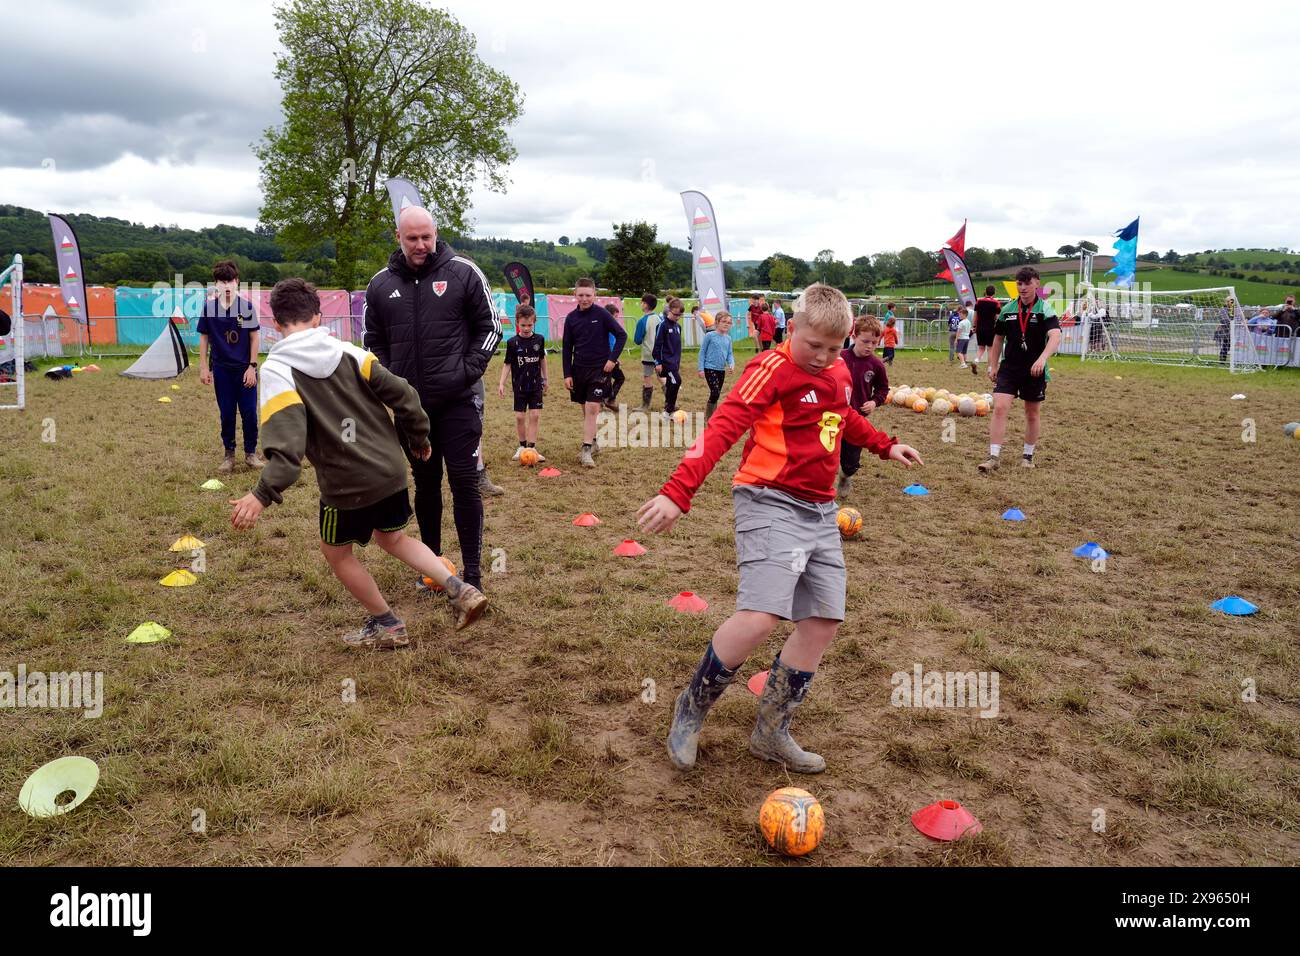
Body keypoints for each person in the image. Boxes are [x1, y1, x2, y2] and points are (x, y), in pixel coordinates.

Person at [637, 284, 922, 773]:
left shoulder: (836, 370)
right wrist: (676, 492)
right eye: (815, 346)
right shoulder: (768, 369)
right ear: (794, 329)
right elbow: (722, 427)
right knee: (761, 616)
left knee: (823, 620)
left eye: (835, 348)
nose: (825, 357)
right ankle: (690, 709)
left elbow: (843, 415)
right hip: (768, 500)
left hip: (820, 510)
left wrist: (883, 444)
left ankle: (771, 732)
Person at [229, 278, 487, 648]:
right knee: (393, 537)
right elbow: (405, 395)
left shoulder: (277, 370)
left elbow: (287, 452)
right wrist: (418, 439)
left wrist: (261, 494)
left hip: (346, 484)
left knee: (336, 552)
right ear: (318, 316)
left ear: (274, 320)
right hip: (390, 471)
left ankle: (388, 624)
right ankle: (461, 589)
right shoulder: (351, 352)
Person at [363, 205, 501, 593]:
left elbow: (490, 330)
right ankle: (435, 569)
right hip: (410, 410)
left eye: (427, 237)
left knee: (464, 483)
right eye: (412, 238)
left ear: (436, 234)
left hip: (459, 403)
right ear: (398, 237)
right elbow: (372, 344)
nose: (421, 245)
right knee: (425, 485)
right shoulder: (380, 285)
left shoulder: (464, 272)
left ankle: (472, 576)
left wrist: (464, 373)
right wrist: (394, 386)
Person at [979, 267, 1061, 472]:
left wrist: (1042, 359)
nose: (1022, 288)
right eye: (1019, 283)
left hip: (1034, 370)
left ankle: (1027, 457)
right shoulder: (1008, 310)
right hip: (1010, 368)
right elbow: (997, 339)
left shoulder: (1045, 309)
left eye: (1027, 283)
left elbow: (1055, 336)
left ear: (1037, 284)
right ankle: (993, 458)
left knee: (1032, 413)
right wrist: (993, 365)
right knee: (999, 407)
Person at [197, 259, 265, 475]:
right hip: (222, 370)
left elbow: (254, 338)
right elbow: (204, 339)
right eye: (222, 281)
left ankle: (251, 454)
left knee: (249, 414)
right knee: (227, 413)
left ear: (237, 282)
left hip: (245, 369)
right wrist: (203, 368)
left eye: (230, 281)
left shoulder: (245, 307)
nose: (226, 285)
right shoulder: (210, 308)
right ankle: (229, 455)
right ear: (216, 283)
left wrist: (252, 367)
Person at [561, 277, 626, 467]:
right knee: (586, 409)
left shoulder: (602, 314)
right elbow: (566, 348)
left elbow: (622, 335)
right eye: (580, 295)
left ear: (594, 295)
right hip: (579, 370)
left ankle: (586, 449)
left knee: (592, 408)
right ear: (575, 295)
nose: (584, 298)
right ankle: (594, 440)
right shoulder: (571, 319)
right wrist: (567, 374)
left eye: (588, 295)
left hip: (600, 370)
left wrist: (612, 359)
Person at [836, 314, 889, 497]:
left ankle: (845, 475)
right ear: (854, 336)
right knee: (826, 454)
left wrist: (874, 401)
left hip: (857, 421)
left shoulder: (876, 365)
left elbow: (883, 388)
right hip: (834, 417)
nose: (869, 346)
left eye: (874, 343)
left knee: (850, 463)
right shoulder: (839, 358)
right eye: (865, 341)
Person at [498, 304, 547, 462]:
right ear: (517, 323)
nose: (526, 328)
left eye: (529, 325)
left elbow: (542, 359)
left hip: (535, 385)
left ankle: (532, 448)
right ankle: (522, 446)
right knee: (520, 417)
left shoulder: (539, 339)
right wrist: (501, 383)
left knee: (535, 415)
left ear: (534, 323)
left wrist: (545, 378)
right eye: (523, 325)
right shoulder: (512, 342)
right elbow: (507, 364)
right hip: (519, 386)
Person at [697, 309, 735, 420]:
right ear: (717, 322)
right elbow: (702, 352)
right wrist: (701, 369)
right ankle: (709, 417)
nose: (726, 324)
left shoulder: (728, 338)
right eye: (724, 321)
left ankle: (713, 416)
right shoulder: (710, 336)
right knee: (715, 391)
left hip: (721, 370)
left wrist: (731, 364)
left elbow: (730, 354)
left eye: (729, 323)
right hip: (709, 368)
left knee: (716, 394)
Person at [653, 296, 684, 420]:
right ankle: (668, 410)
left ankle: (668, 411)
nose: (677, 317)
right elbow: (657, 345)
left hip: (674, 363)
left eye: (679, 315)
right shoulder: (663, 326)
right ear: (669, 310)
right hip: (666, 361)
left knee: (672, 383)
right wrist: (658, 362)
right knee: (677, 381)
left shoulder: (678, 327)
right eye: (675, 314)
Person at [633, 293, 660, 412]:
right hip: (660, 355)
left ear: (645, 304)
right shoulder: (660, 318)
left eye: (642, 302)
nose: (640, 304)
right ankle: (671, 402)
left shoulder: (642, 321)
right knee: (662, 378)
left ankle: (645, 406)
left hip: (648, 355)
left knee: (647, 378)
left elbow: (637, 340)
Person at [603, 298, 627, 411]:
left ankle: (604, 400)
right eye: (615, 317)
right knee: (619, 378)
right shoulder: (608, 327)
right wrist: (614, 359)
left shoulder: (606, 326)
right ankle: (609, 399)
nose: (616, 320)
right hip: (608, 358)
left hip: (610, 357)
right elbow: (610, 344)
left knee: (605, 380)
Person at [972, 286, 1000, 375]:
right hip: (991, 328)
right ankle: (989, 368)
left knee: (981, 348)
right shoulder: (996, 303)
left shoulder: (979, 302)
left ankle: (976, 361)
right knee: (990, 349)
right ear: (994, 293)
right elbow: (997, 317)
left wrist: (974, 326)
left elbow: (975, 316)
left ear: (985, 292)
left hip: (980, 328)